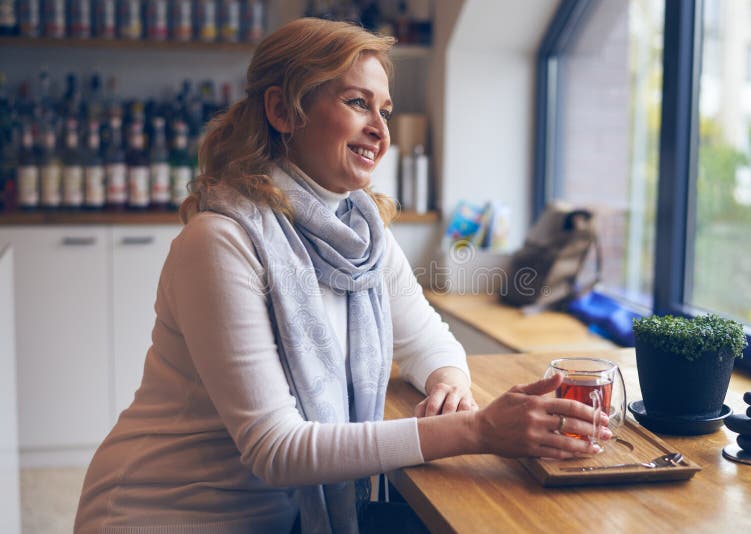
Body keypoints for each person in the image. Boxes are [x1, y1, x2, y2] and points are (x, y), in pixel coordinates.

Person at [74, 18, 608, 534]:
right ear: (283, 110)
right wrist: (475, 429)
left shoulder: (362, 231)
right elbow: (276, 449)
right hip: (165, 515)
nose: (380, 130)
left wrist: (449, 385)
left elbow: (431, 342)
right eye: (357, 103)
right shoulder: (221, 241)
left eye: (386, 110)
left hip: (280, 519)